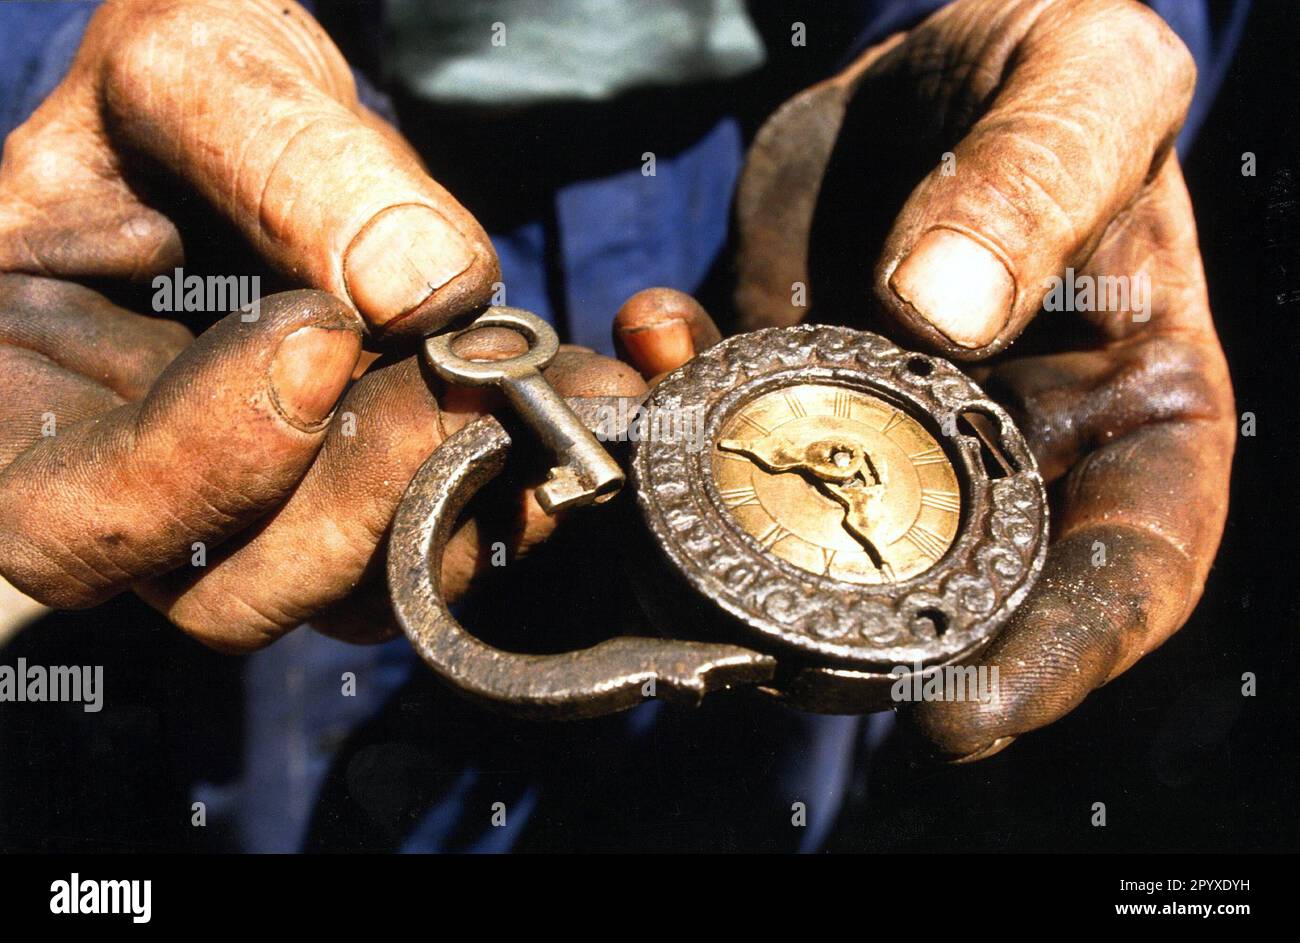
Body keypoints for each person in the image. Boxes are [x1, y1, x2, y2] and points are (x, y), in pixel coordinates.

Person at [0, 0, 1245, 851]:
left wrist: (1000, 27)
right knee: (309, 693)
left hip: (796, 194)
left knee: (753, 799)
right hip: (290, 203)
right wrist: (55, 62)